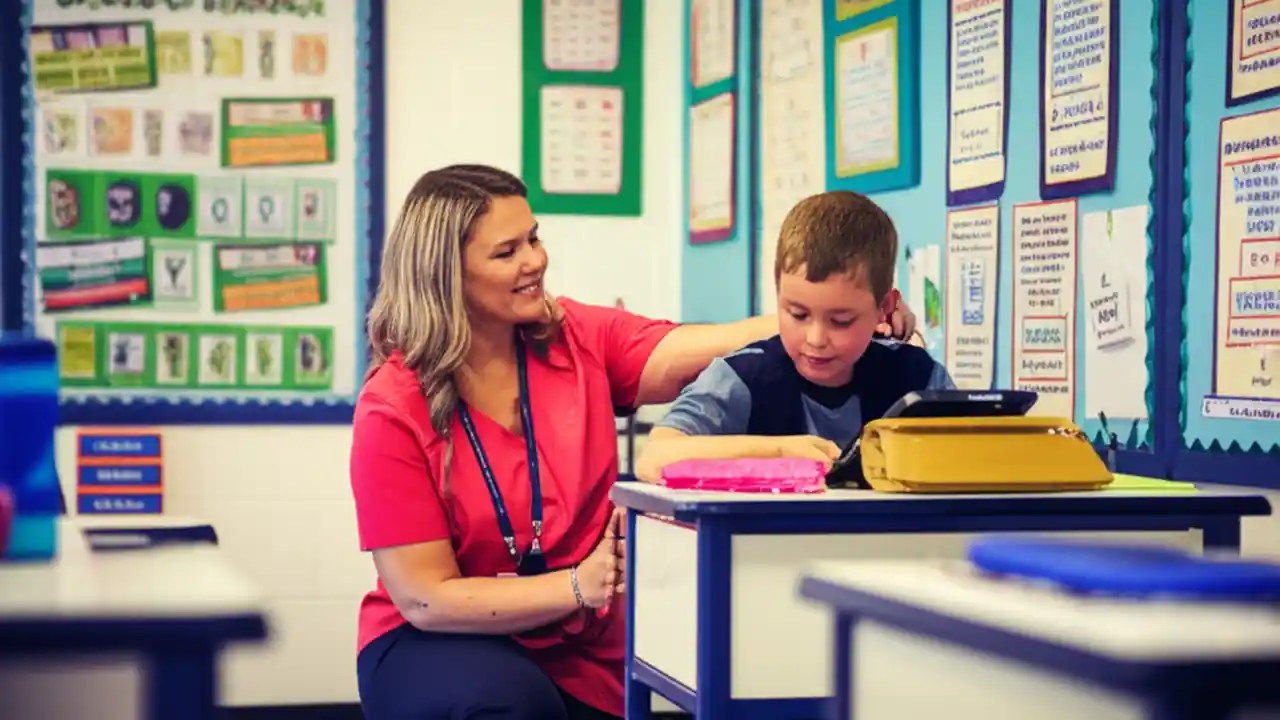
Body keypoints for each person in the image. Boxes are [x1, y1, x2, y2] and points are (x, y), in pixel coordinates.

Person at [349, 165, 919, 720]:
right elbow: (426, 598)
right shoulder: (393, 407)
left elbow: (703, 346)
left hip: (580, 639)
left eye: (534, 238)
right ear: (446, 275)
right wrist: (578, 585)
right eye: (507, 252)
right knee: (510, 704)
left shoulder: (574, 337)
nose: (535, 260)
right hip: (444, 638)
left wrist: (841, 318)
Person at [636, 190, 953, 482]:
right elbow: (655, 457)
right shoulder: (742, 378)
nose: (816, 339)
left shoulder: (918, 379)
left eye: (841, 321)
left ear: (884, 308)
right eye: (798, 315)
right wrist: (779, 452)